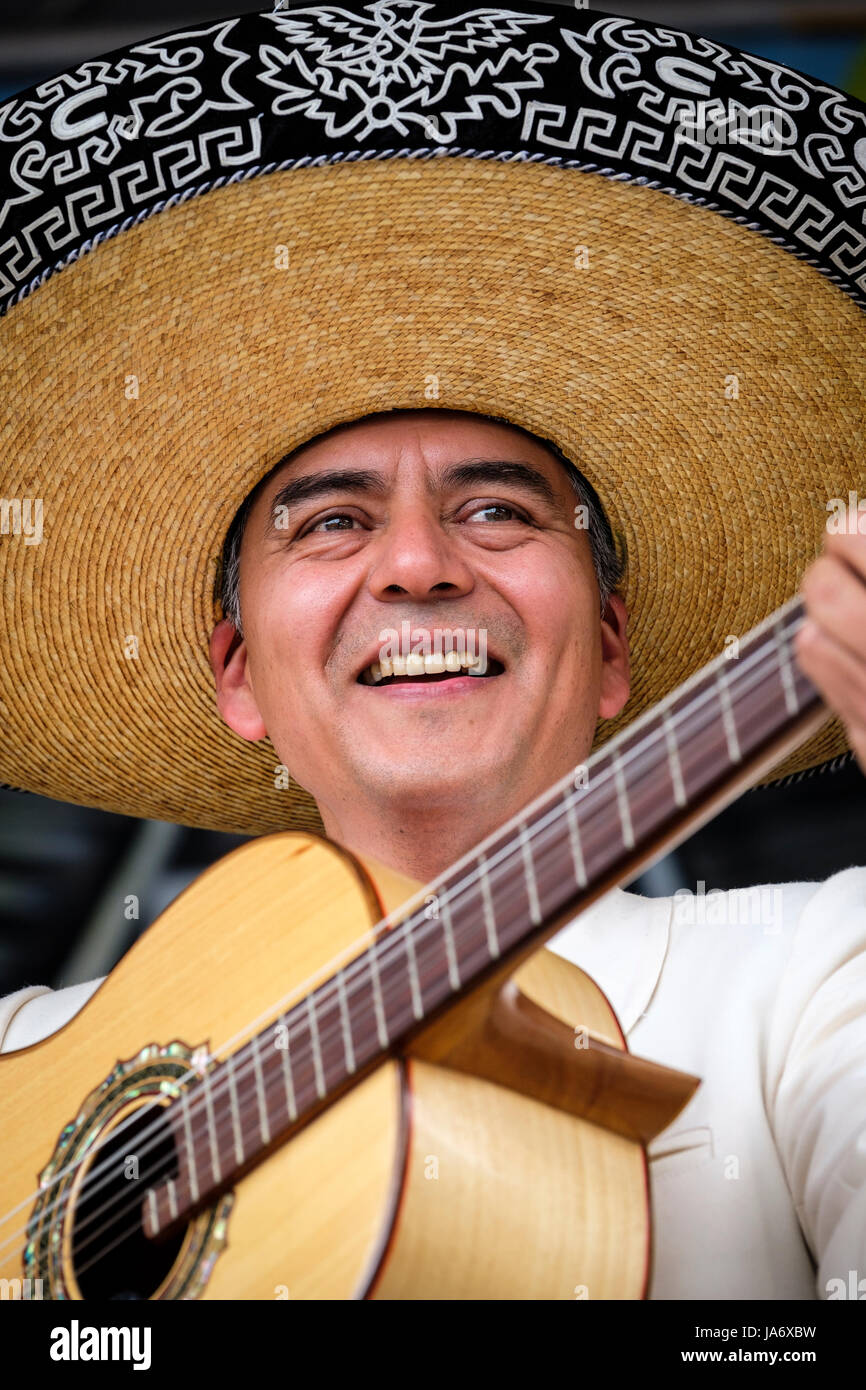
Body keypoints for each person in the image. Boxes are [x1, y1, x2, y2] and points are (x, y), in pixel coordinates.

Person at [1, 2, 865, 1299]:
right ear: (238, 675)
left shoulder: (807, 968)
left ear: (611, 646)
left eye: (496, 510)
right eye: (334, 520)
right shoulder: (28, 1061)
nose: (416, 564)